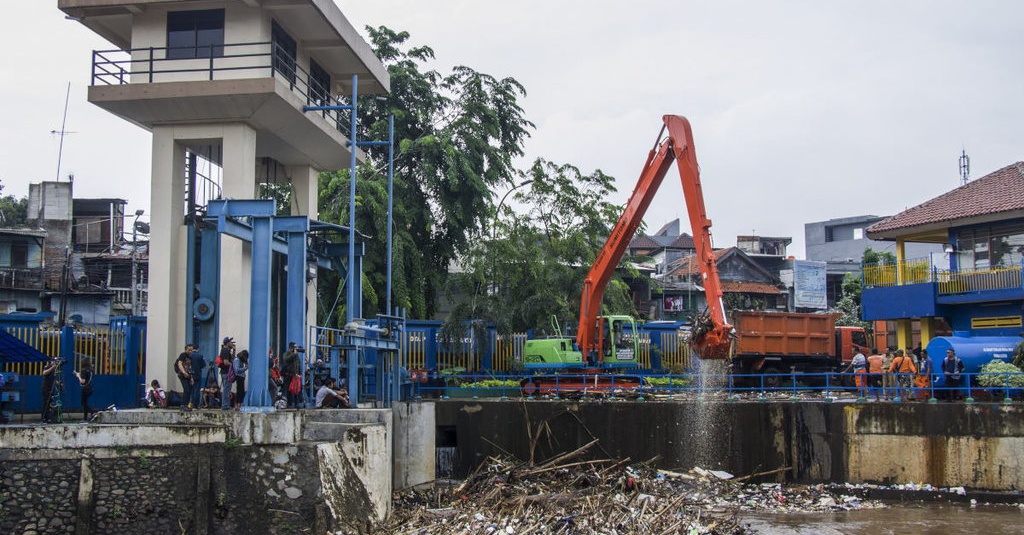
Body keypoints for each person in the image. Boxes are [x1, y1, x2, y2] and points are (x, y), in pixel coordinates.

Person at [40, 357, 61, 423]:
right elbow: (44, 373)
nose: (55, 363)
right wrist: (52, 368)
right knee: (46, 403)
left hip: (51, 388)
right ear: (51, 361)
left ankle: (48, 417)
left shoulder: (55, 369)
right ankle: (43, 418)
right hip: (46, 388)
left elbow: (53, 379)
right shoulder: (48, 367)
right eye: (54, 361)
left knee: (50, 404)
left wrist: (59, 384)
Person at [281, 342, 301, 407]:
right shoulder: (286, 354)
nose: (296, 349)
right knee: (286, 389)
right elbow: (286, 359)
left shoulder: (296, 355)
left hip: (295, 376)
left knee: (296, 390)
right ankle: (286, 404)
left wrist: (299, 373)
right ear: (291, 348)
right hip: (288, 375)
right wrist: (294, 354)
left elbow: (298, 364)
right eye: (294, 347)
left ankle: (296, 404)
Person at [174, 344, 194, 411]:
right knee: (186, 389)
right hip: (182, 375)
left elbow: (189, 368)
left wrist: (191, 378)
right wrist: (184, 372)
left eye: (191, 350)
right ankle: (183, 405)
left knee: (189, 390)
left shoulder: (190, 357)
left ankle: (186, 405)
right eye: (189, 350)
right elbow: (180, 363)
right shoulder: (183, 355)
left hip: (188, 375)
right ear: (185, 350)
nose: (190, 351)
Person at [218, 337, 236, 410]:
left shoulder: (227, 350)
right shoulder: (225, 350)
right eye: (231, 342)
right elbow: (226, 362)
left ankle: (226, 405)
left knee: (227, 389)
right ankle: (225, 405)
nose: (232, 344)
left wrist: (234, 350)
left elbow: (232, 358)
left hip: (226, 372)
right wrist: (233, 366)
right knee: (226, 389)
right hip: (226, 373)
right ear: (228, 343)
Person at [75, 357, 94, 421]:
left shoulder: (83, 370)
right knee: (85, 402)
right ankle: (85, 417)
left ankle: (92, 413)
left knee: (83, 403)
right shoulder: (90, 370)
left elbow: (82, 381)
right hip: (89, 388)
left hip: (85, 388)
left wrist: (78, 376)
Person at [189, 344, 207, 410]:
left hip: (189, 375)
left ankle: (190, 403)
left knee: (191, 390)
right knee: (196, 390)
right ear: (198, 349)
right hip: (197, 374)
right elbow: (204, 366)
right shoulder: (200, 356)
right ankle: (195, 405)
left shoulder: (189, 355)